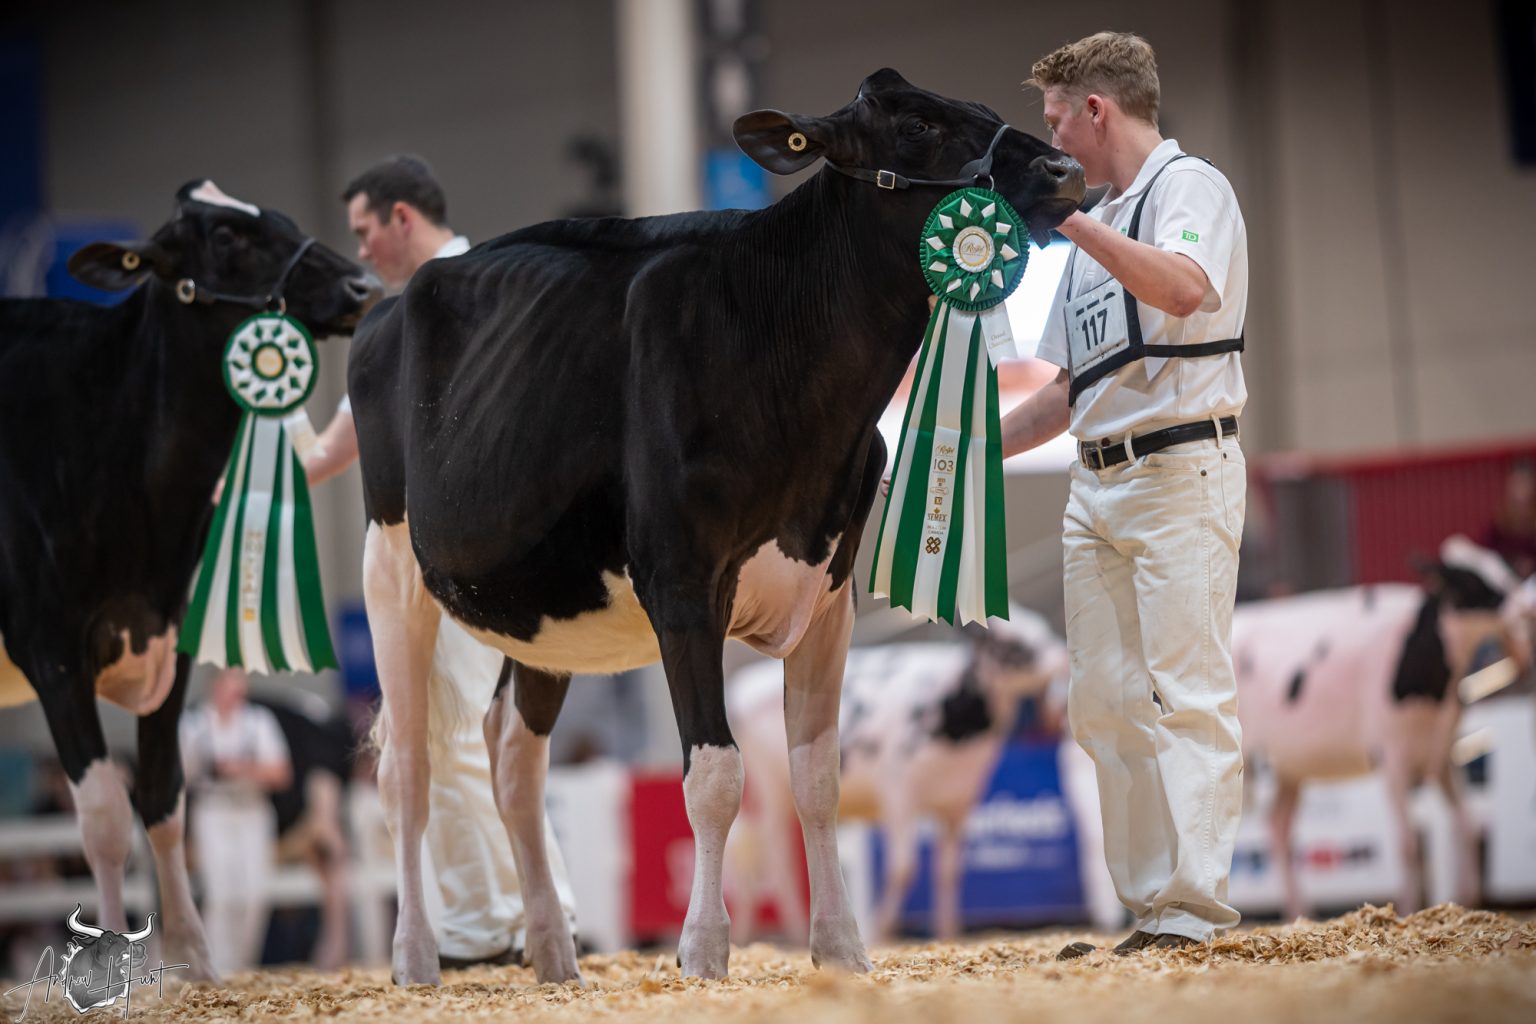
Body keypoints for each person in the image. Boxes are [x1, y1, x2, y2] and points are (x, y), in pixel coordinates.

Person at [1001, 31, 1250, 957]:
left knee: (1187, 690)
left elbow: (1185, 291)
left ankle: (1193, 907)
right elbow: (1071, 391)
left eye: (1055, 122)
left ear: (1095, 112)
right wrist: (965, 455)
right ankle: (1151, 908)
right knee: (1104, 701)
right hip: (1095, 482)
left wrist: (1072, 223)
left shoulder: (1189, 190)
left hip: (1181, 468)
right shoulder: (1093, 232)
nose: (1052, 143)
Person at [307, 155, 578, 969]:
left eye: (364, 232)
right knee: (441, 728)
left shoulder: (487, 283)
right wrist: (250, 469)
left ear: (401, 217)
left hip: (472, 534)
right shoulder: (393, 325)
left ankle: (492, 923)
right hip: (414, 539)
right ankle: (528, 911)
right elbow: (337, 445)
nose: (360, 252)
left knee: (453, 724)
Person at [180, 668, 292, 973]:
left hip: (252, 810)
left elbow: (281, 772)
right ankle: (217, 968)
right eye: (232, 680)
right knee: (221, 895)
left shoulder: (258, 720)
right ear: (215, 685)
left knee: (254, 895)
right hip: (213, 811)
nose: (238, 688)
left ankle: (243, 967)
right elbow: (183, 777)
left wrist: (241, 768)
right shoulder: (194, 724)